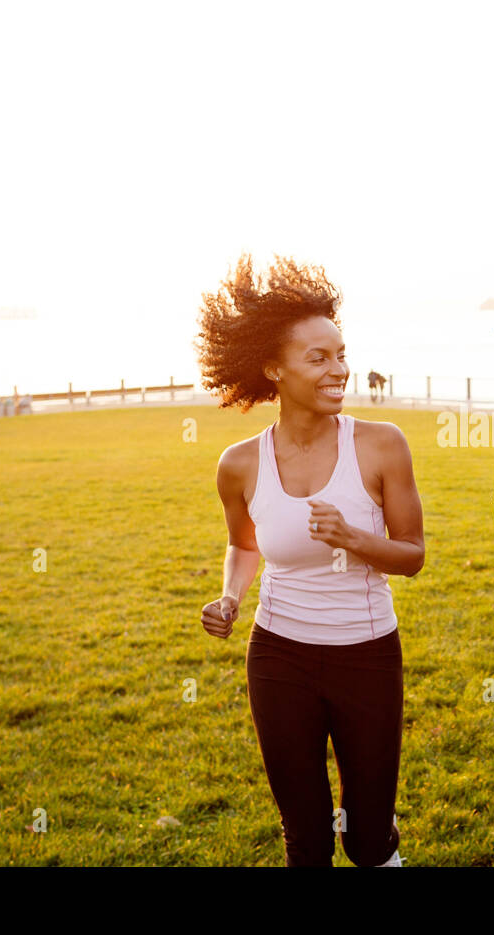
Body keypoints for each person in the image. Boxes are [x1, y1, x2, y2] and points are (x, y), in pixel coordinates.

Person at [194, 254, 425, 867]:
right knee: (306, 837)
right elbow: (245, 545)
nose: (338, 370)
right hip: (279, 657)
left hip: (367, 655)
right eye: (318, 359)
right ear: (273, 369)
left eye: (341, 355)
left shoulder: (380, 444)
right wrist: (231, 597)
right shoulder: (239, 463)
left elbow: (412, 555)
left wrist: (354, 538)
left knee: (370, 835)